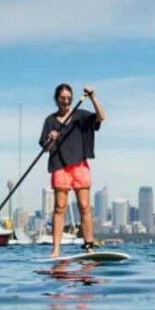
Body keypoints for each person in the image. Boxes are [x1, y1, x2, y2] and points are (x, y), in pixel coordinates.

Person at [39, 83, 107, 258]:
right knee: (59, 208)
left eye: (69, 98)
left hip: (79, 166)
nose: (66, 101)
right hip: (60, 166)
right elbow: (46, 148)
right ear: (57, 99)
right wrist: (51, 138)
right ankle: (55, 250)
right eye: (63, 98)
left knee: (84, 207)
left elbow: (101, 117)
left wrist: (93, 97)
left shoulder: (80, 116)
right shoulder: (50, 121)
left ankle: (89, 246)